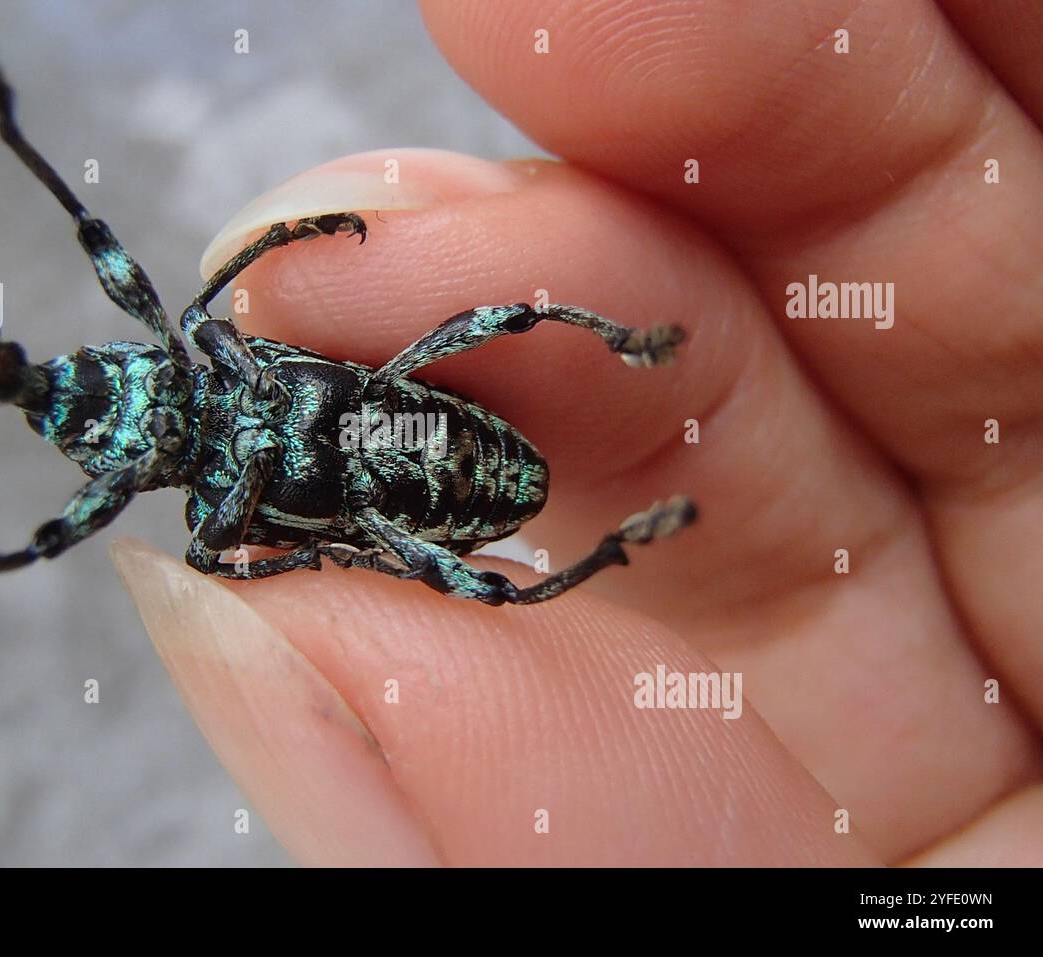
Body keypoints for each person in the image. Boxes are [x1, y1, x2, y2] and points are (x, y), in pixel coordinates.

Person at [112, 0, 1043, 866]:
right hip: (403, 507)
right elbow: (227, 548)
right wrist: (295, 560)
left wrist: (288, 238)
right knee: (496, 597)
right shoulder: (218, 509)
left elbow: (203, 315)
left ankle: (624, 346)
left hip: (450, 449)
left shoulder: (215, 352)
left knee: (508, 309)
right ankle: (616, 544)